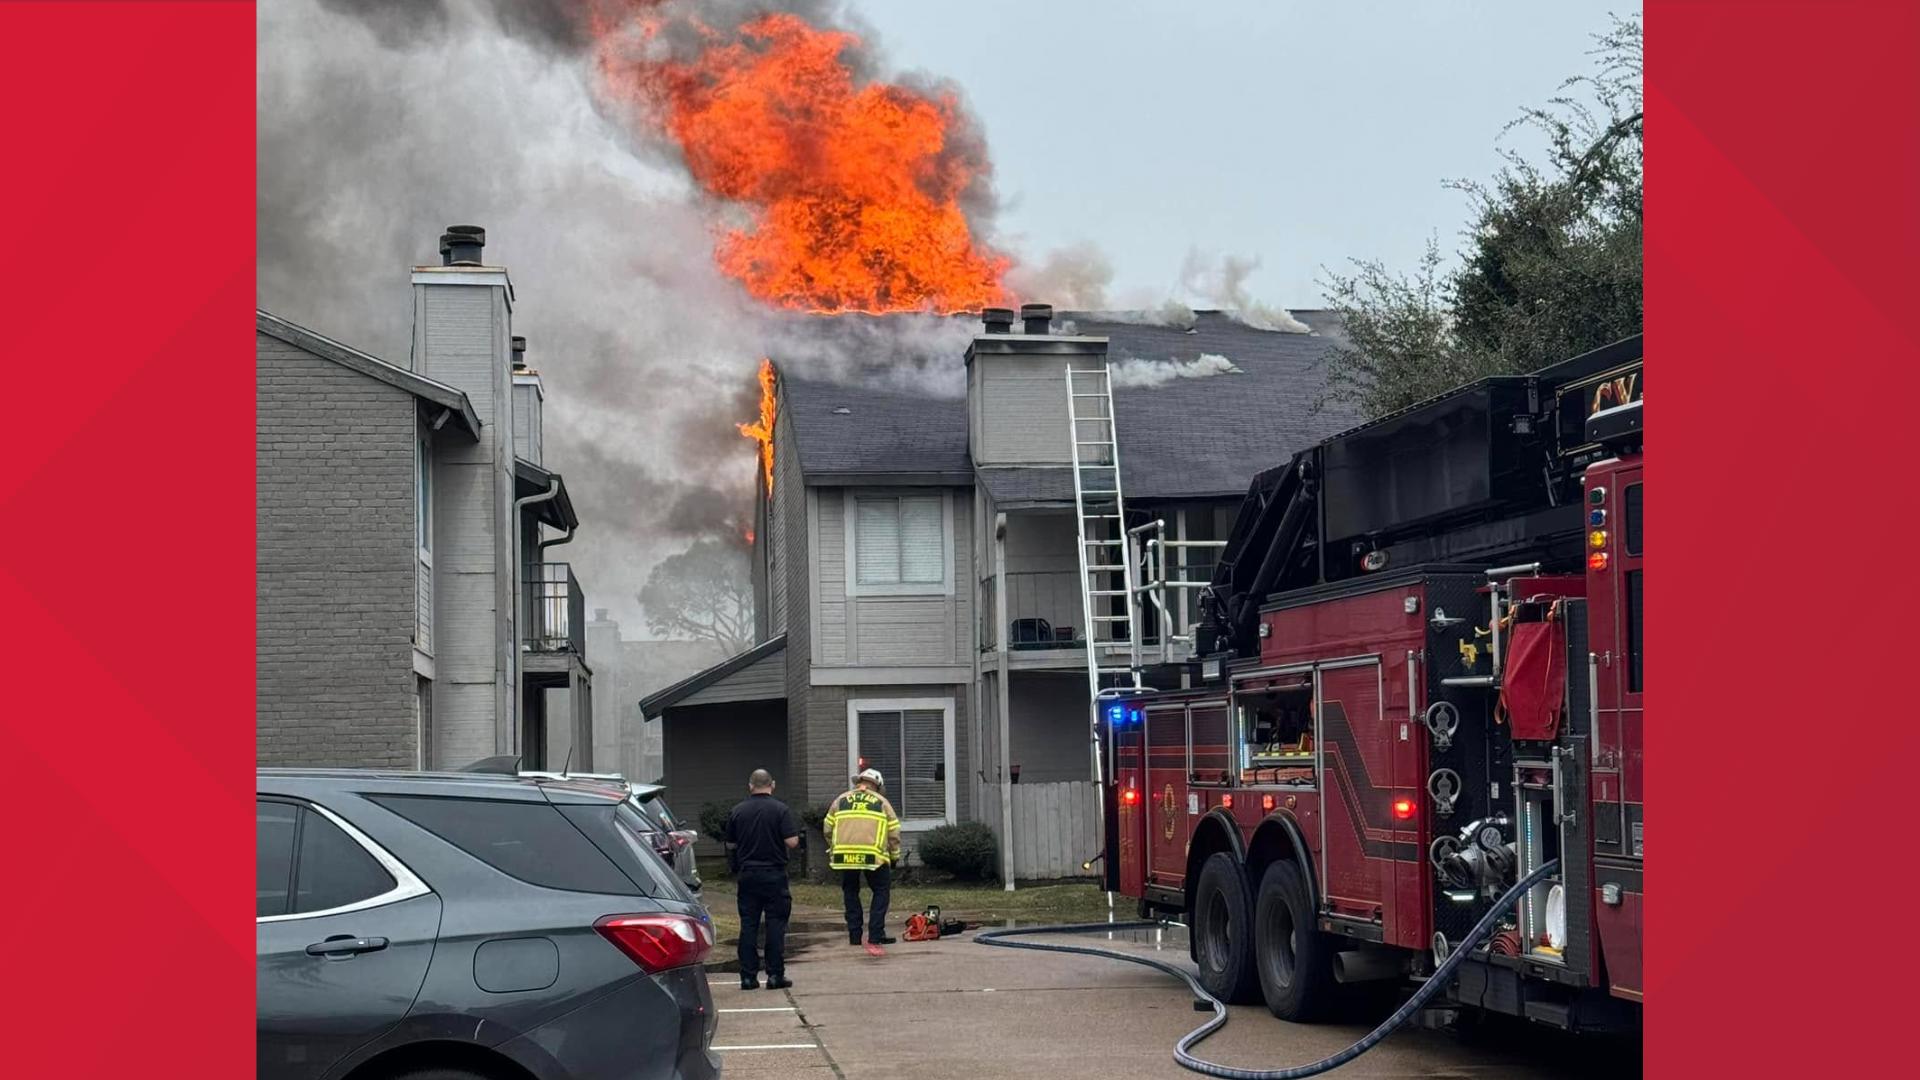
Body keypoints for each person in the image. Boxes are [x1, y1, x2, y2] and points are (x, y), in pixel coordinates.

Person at [722, 769, 801, 990]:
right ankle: (775, 975)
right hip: (774, 874)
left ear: (750, 786)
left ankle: (748, 977)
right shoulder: (780, 810)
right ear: (772, 784)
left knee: (749, 924)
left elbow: (730, 844)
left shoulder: (738, 811)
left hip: (747, 874)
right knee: (775, 925)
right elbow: (793, 841)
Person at [824, 768, 901, 955]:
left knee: (850, 891)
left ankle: (854, 935)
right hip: (873, 856)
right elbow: (894, 832)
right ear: (877, 785)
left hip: (845, 856)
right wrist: (894, 856)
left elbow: (827, 828)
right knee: (881, 892)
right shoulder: (881, 802)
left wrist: (835, 847)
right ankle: (875, 936)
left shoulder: (841, 800)